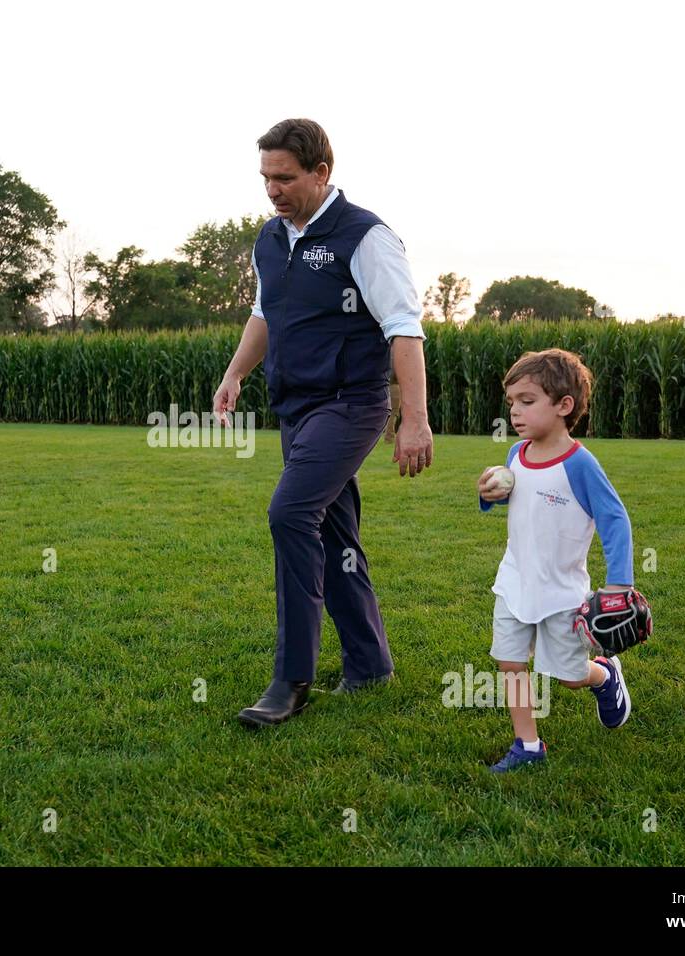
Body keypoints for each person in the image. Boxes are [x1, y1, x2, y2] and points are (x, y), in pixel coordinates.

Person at [212, 118, 434, 728]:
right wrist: (235, 373)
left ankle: (291, 679)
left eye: (284, 178)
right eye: (265, 178)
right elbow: (265, 313)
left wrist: (413, 419)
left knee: (290, 514)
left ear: (321, 173)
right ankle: (368, 664)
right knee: (335, 538)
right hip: (295, 408)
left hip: (350, 404)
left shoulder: (365, 237)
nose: (273, 190)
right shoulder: (270, 238)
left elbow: (403, 329)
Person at [476, 348, 635, 771]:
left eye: (527, 401)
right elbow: (510, 499)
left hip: (561, 592)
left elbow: (614, 517)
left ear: (564, 406)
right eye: (511, 403)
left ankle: (604, 676)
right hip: (513, 584)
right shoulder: (514, 457)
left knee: (568, 677)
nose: (515, 412)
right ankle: (527, 746)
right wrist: (488, 496)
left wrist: (619, 582)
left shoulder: (580, 464)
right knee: (510, 662)